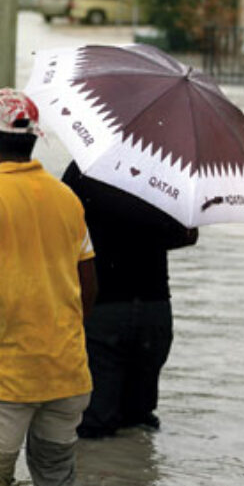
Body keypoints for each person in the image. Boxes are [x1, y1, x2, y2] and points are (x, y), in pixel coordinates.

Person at [0, 88, 98, 486]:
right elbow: (89, 285)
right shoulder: (66, 198)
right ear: (32, 138)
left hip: (4, 377)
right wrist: (62, 342)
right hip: (67, 373)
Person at [62, 162, 198, 439]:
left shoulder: (85, 170)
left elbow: (60, 230)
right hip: (154, 310)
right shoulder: (167, 173)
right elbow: (188, 234)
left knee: (95, 428)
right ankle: (140, 478)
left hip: (103, 308)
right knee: (139, 421)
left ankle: (109, 478)